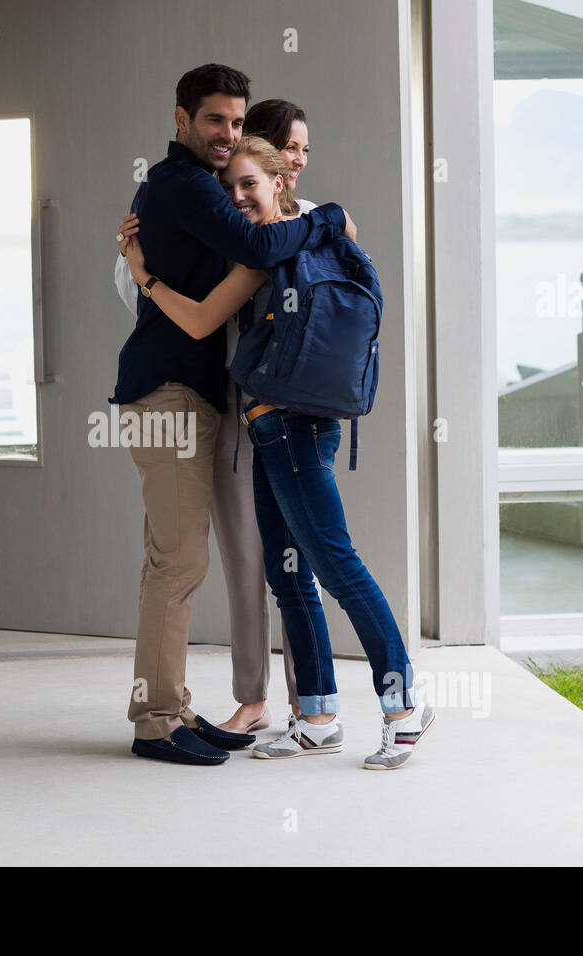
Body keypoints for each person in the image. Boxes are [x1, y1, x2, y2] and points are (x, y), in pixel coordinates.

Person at [119, 135, 434, 771]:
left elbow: (200, 321)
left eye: (249, 185)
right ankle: (316, 717)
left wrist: (143, 273)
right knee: (288, 576)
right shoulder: (292, 237)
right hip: (272, 430)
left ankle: (405, 705)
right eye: (228, 189)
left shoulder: (273, 248)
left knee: (336, 565)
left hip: (296, 430)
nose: (237, 197)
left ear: (280, 183)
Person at [109, 65, 355, 766]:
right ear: (182, 118)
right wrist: (329, 217)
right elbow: (255, 250)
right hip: (169, 394)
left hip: (194, 397)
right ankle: (157, 721)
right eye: (214, 119)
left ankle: (173, 707)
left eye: (236, 121)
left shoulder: (191, 188)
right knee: (178, 562)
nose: (226, 133)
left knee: (177, 560)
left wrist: (146, 273)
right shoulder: (185, 185)